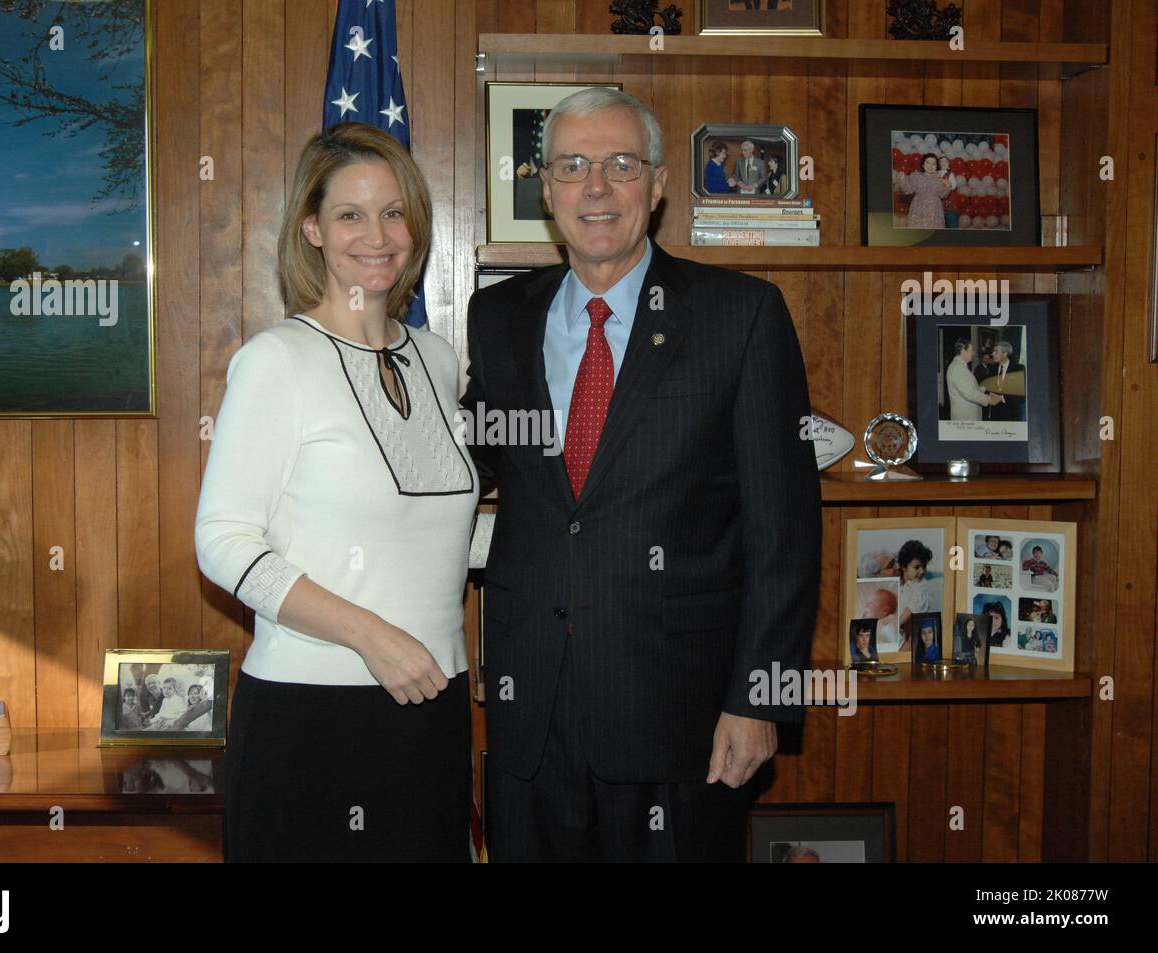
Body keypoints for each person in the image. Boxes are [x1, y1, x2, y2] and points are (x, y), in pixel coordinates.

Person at [461, 87, 821, 862]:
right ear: (546, 187)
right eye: (573, 166)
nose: (596, 187)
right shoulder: (498, 319)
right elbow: (468, 462)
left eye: (621, 164)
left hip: (681, 720)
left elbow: (784, 529)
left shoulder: (741, 315)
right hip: (532, 715)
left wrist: (759, 699)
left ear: (658, 186)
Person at [194, 122, 478, 862]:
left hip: (435, 702)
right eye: (350, 214)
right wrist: (368, 634)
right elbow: (223, 543)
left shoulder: (438, 361)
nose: (377, 234)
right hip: (313, 712)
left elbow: (426, 521)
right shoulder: (276, 360)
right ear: (312, 228)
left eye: (394, 211)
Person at [945, 338, 1003, 421]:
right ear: (963, 352)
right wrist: (989, 399)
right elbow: (970, 393)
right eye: (971, 350)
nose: (973, 353)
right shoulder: (956, 368)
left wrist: (986, 391)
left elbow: (971, 388)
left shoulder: (961, 366)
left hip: (969, 415)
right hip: (965, 417)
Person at [894, 153, 956, 229]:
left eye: (934, 164)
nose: (931, 166)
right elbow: (908, 190)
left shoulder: (940, 179)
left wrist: (947, 186)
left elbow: (943, 195)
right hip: (918, 209)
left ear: (936, 166)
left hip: (935, 211)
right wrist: (902, 179)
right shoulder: (916, 176)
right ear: (923, 165)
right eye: (928, 162)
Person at [984, 340, 1026, 422]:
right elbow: (987, 390)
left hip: (1012, 418)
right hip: (995, 417)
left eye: (996, 351)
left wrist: (1002, 398)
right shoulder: (992, 369)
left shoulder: (1018, 369)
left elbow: (1022, 397)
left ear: (1005, 354)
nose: (992, 354)